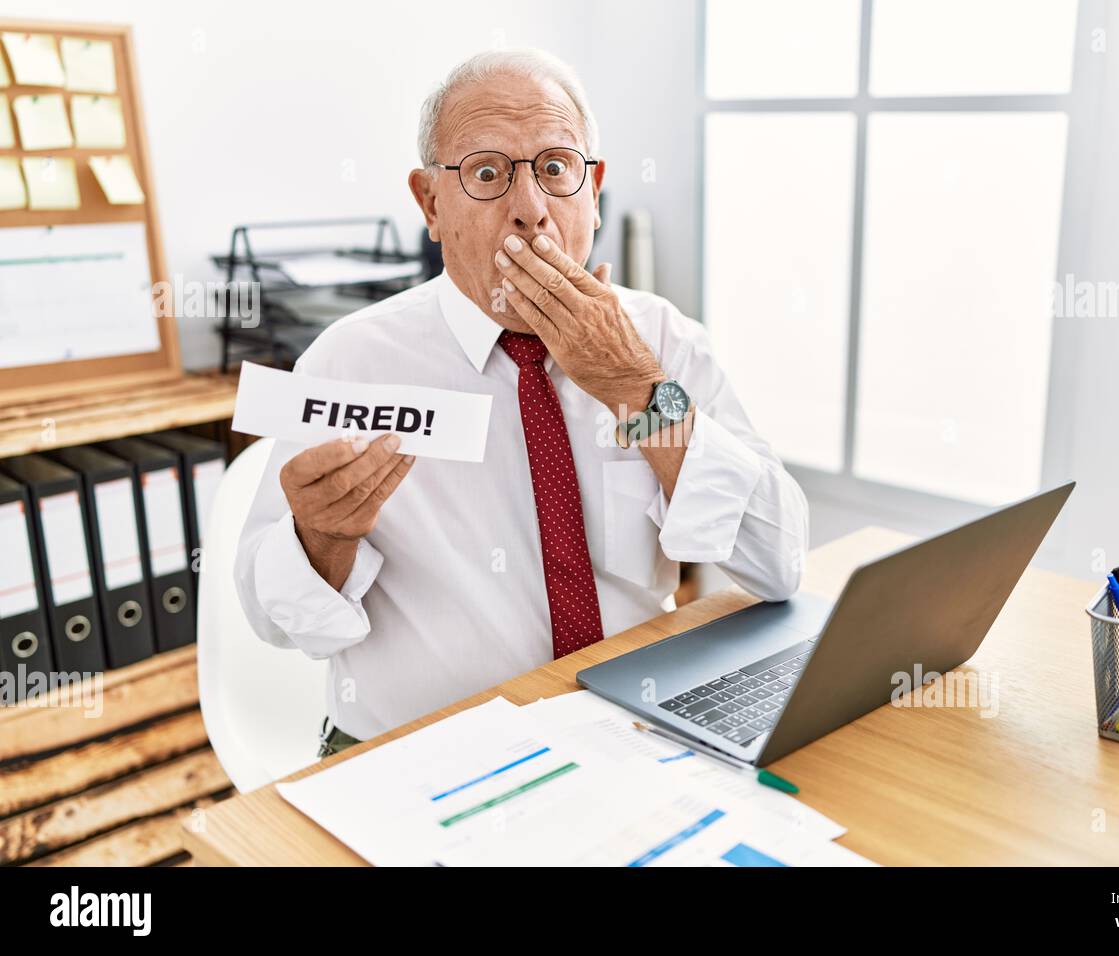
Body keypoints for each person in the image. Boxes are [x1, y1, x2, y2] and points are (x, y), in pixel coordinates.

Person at [233, 49, 809, 757]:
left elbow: (778, 564)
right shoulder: (349, 364)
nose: (530, 212)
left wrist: (638, 391)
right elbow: (275, 621)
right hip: (419, 755)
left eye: (556, 169)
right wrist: (322, 538)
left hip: (630, 736)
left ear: (593, 189)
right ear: (430, 205)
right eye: (486, 175)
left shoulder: (662, 341)